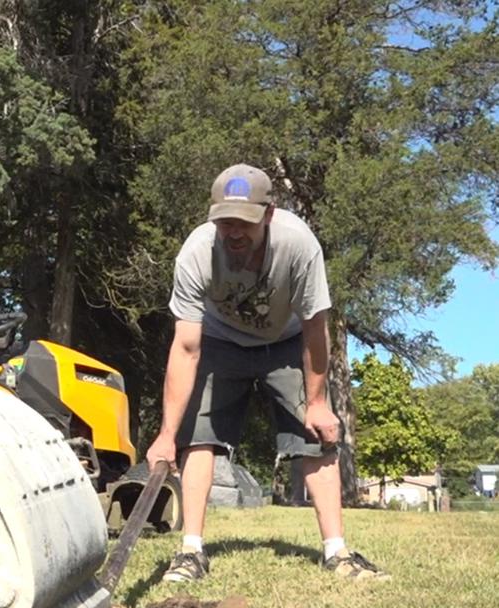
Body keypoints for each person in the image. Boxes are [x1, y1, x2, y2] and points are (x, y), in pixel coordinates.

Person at [145, 164, 390, 582]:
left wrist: (315, 404)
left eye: (244, 222)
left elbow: (317, 328)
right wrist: (167, 435)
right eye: (225, 222)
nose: (234, 232)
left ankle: (338, 552)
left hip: (288, 342)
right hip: (221, 342)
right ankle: (191, 552)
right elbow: (186, 347)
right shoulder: (197, 252)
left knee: (316, 436)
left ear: (269, 214)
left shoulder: (298, 245)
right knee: (196, 437)